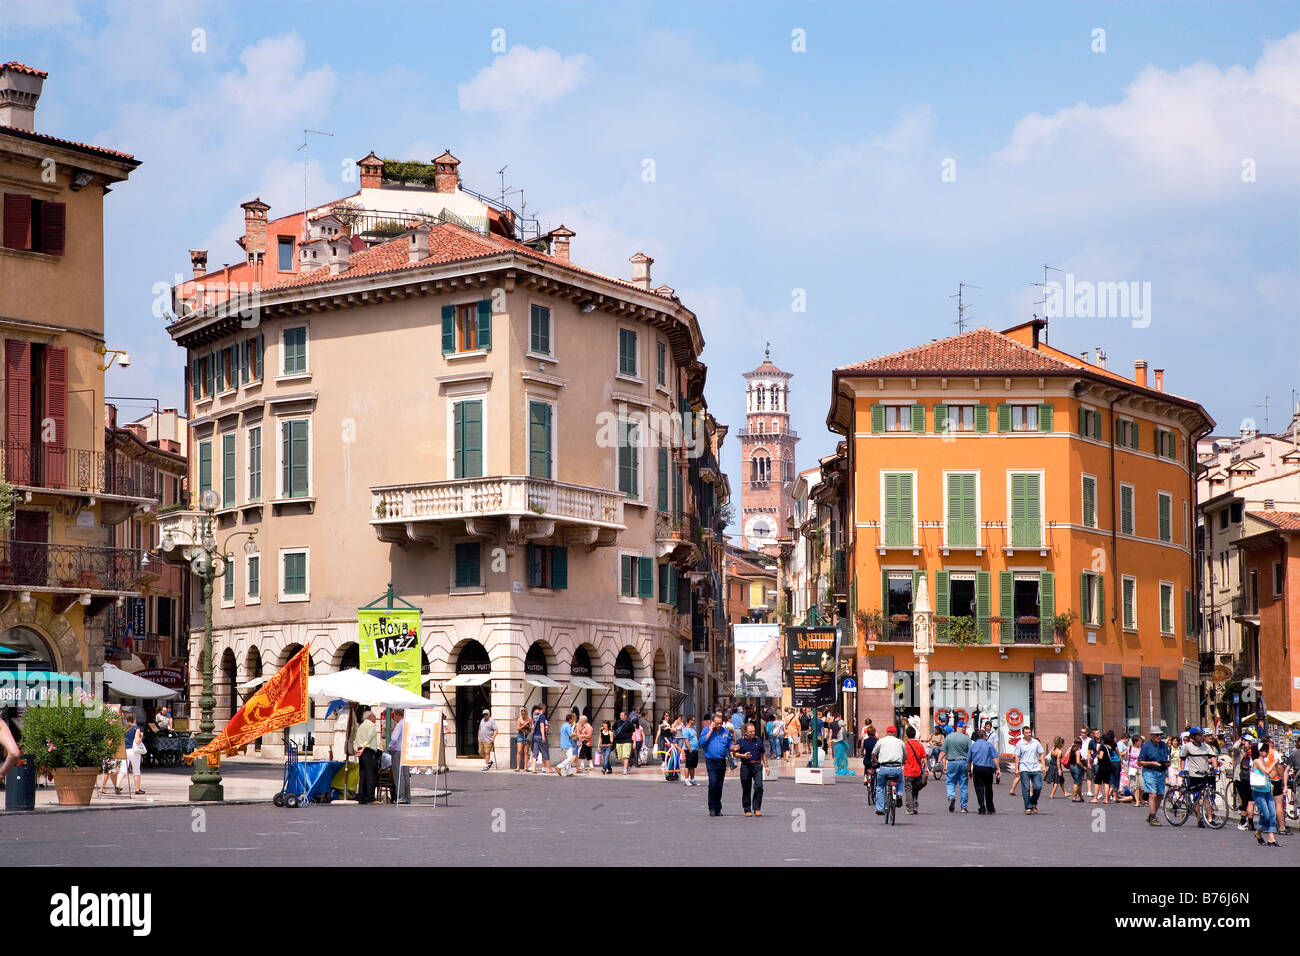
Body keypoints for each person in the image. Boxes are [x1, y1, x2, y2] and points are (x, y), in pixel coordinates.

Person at [1178, 727, 1218, 828]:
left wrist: (1216, 768)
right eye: (1199, 735)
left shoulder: (1206, 747)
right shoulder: (1187, 747)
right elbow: (1182, 758)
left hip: (1205, 774)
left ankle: (1210, 819)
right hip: (1193, 774)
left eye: (1202, 735)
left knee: (1207, 796)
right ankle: (1199, 818)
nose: (1201, 737)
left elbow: (1213, 758)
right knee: (1195, 796)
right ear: (1193, 736)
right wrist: (1181, 770)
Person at [700, 713, 734, 816]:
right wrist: (710, 731)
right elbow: (701, 742)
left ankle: (718, 808)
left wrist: (734, 747)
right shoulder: (706, 730)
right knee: (713, 783)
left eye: (720, 723)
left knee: (719, 785)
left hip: (721, 762)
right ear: (712, 722)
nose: (719, 725)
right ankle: (712, 808)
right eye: (717, 723)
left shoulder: (725, 732)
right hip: (711, 761)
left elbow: (729, 744)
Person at [733, 722, 769, 816]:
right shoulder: (740, 741)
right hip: (746, 765)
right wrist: (743, 756)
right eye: (751, 731)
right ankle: (747, 809)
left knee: (759, 786)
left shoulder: (758, 740)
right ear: (745, 732)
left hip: (757, 766)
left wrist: (766, 766)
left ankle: (757, 808)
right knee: (746, 788)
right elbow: (735, 753)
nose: (753, 733)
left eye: (754, 731)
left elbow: (763, 753)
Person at [1137, 726, 1171, 826]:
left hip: (1161, 772)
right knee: (1153, 794)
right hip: (1150, 771)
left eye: (1160, 734)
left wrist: (1167, 764)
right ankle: (1153, 817)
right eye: (1157, 735)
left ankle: (1152, 815)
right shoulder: (1146, 746)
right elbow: (1139, 762)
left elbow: (1167, 757)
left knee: (1160, 795)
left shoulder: (1164, 745)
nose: (1159, 736)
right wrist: (1152, 763)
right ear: (1151, 735)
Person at [1251, 739, 1282, 848]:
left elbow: (1271, 775)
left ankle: (1271, 838)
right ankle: (1258, 832)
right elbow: (1266, 771)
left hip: (1267, 789)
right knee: (1265, 814)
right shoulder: (1256, 761)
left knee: (1272, 814)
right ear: (1259, 751)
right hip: (1258, 791)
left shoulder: (1264, 762)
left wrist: (1276, 767)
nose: (1266, 752)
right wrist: (1274, 762)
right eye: (1264, 750)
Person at [871, 725, 905, 816]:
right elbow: (905, 755)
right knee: (900, 781)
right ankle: (899, 794)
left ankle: (880, 808)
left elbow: (873, 753)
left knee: (879, 787)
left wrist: (876, 761)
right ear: (895, 733)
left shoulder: (881, 741)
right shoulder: (900, 742)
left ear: (887, 733)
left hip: (884, 767)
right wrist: (903, 762)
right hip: (897, 768)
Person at [1012, 726, 1045, 814]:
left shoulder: (1036, 742)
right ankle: (1028, 807)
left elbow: (1041, 754)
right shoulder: (1020, 743)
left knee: (1038, 787)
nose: (1028, 734)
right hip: (1024, 768)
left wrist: (1043, 766)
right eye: (1026, 733)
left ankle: (1033, 802)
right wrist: (1016, 769)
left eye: (1029, 732)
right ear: (1023, 733)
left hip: (1035, 767)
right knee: (1026, 788)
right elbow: (1017, 757)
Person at [968, 728, 1001, 814]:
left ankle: (982, 807)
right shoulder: (989, 745)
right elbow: (995, 757)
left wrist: (969, 771)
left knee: (979, 789)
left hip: (977, 768)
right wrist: (997, 768)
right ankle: (990, 807)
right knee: (989, 788)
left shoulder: (973, 746)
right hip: (988, 769)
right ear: (983, 736)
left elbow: (969, 760)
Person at [941, 719, 971, 813]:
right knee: (963, 786)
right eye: (965, 727)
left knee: (950, 782)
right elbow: (970, 754)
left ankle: (951, 796)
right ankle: (963, 807)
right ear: (961, 728)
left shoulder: (949, 737)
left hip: (952, 762)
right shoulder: (967, 739)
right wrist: (970, 769)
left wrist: (938, 762)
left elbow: (943, 751)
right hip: (963, 762)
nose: (965, 729)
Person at [353, 708, 382, 804]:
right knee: (371, 775)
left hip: (361, 751)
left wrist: (357, 749)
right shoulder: (371, 725)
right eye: (374, 716)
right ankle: (370, 797)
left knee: (363, 775)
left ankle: (361, 797)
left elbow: (356, 739)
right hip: (368, 751)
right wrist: (364, 748)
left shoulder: (361, 726)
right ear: (370, 717)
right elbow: (369, 738)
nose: (375, 718)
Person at [1232, 731, 1259, 830]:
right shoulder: (1239, 751)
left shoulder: (1253, 752)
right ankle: (1246, 821)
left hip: (1248, 779)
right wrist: (1240, 740)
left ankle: (1245, 821)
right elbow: (1234, 748)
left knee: (1246, 801)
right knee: (1249, 801)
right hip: (1240, 778)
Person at [901, 726, 928, 815]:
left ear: (907, 734)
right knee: (915, 789)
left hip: (908, 771)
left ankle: (910, 808)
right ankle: (915, 805)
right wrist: (926, 768)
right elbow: (924, 758)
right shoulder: (920, 745)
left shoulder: (905, 745)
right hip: (918, 771)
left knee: (908, 789)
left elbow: (902, 758)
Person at [120, 710, 147, 795]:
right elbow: (137, 741)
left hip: (125, 750)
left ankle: (117, 785)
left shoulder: (124, 728)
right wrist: (141, 736)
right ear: (134, 719)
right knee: (136, 770)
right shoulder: (136, 728)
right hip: (134, 751)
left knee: (123, 769)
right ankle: (137, 789)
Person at [387, 709, 409, 803]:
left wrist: (390, 746)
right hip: (406, 751)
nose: (393, 718)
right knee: (405, 775)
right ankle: (407, 797)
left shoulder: (399, 724)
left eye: (394, 716)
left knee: (398, 775)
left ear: (397, 715)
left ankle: (401, 796)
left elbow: (394, 738)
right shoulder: (407, 723)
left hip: (397, 751)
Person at [1092, 731, 1116, 804]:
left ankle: (1095, 798)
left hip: (1102, 766)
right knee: (1106, 782)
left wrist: (1097, 756)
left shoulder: (1103, 747)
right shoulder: (1110, 747)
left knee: (1097, 781)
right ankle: (1106, 798)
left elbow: (1101, 756)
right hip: (1109, 766)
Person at [613, 710, 635, 775]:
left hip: (627, 741)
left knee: (625, 755)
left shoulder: (629, 723)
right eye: (620, 715)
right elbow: (613, 729)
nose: (621, 716)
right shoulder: (617, 722)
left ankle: (625, 769)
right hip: (618, 741)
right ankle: (627, 766)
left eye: (622, 715)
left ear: (626, 716)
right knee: (620, 757)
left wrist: (634, 742)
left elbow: (634, 733)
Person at [531, 706, 551, 774]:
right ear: (543, 709)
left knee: (535, 753)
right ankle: (548, 768)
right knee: (545, 752)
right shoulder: (542, 716)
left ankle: (534, 769)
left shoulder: (534, 716)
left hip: (535, 736)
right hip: (540, 735)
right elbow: (541, 726)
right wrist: (543, 736)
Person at [555, 713, 577, 777]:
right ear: (569, 719)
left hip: (563, 744)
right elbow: (570, 735)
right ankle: (559, 767)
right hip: (567, 744)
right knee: (570, 758)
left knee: (568, 758)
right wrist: (576, 734)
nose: (573, 720)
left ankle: (569, 772)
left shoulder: (563, 725)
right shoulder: (568, 726)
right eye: (572, 719)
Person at [682, 716, 700, 786]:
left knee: (693, 765)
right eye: (693, 720)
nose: (694, 721)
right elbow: (686, 741)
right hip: (690, 750)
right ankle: (686, 779)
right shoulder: (686, 730)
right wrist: (690, 750)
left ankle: (692, 779)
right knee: (688, 765)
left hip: (695, 749)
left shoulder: (693, 728)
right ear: (689, 721)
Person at [515, 708, 531, 772]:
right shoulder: (519, 719)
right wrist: (523, 725)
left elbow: (532, 727)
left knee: (526, 751)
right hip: (520, 735)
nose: (523, 715)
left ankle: (525, 767)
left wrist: (528, 727)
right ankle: (518, 767)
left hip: (527, 735)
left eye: (524, 713)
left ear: (526, 713)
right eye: (522, 713)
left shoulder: (529, 719)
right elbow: (518, 728)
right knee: (519, 751)